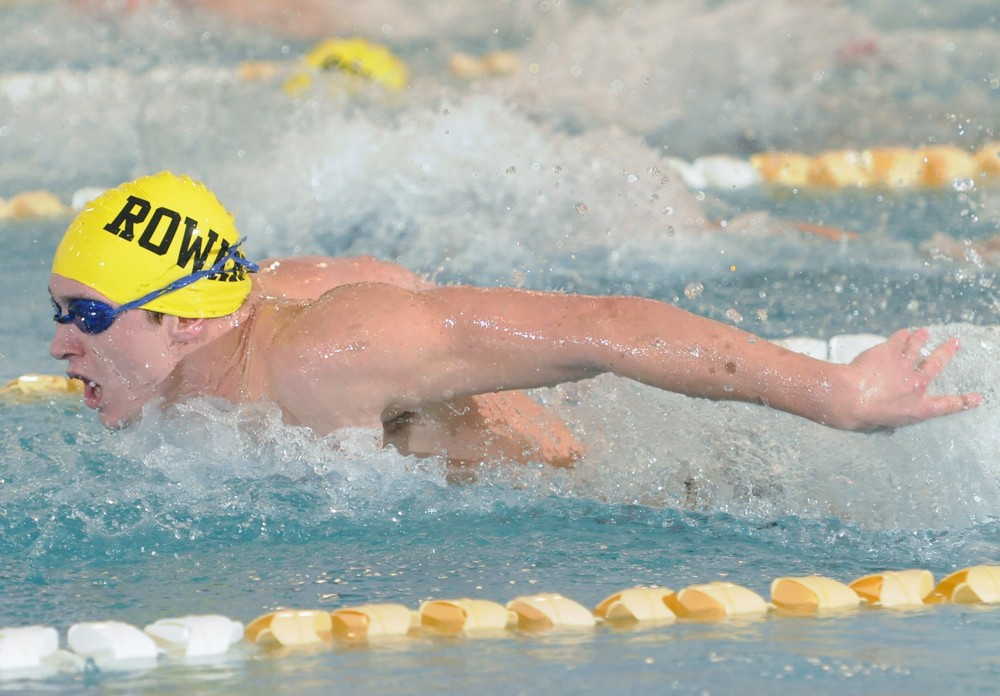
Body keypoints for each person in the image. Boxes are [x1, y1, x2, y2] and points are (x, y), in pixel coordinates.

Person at [49, 172, 981, 467]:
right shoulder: (184, 359)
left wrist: (840, 393)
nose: (59, 345)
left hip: (614, 485)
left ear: (186, 323)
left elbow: (606, 324)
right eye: (57, 313)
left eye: (86, 316)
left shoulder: (331, 353)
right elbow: (365, 271)